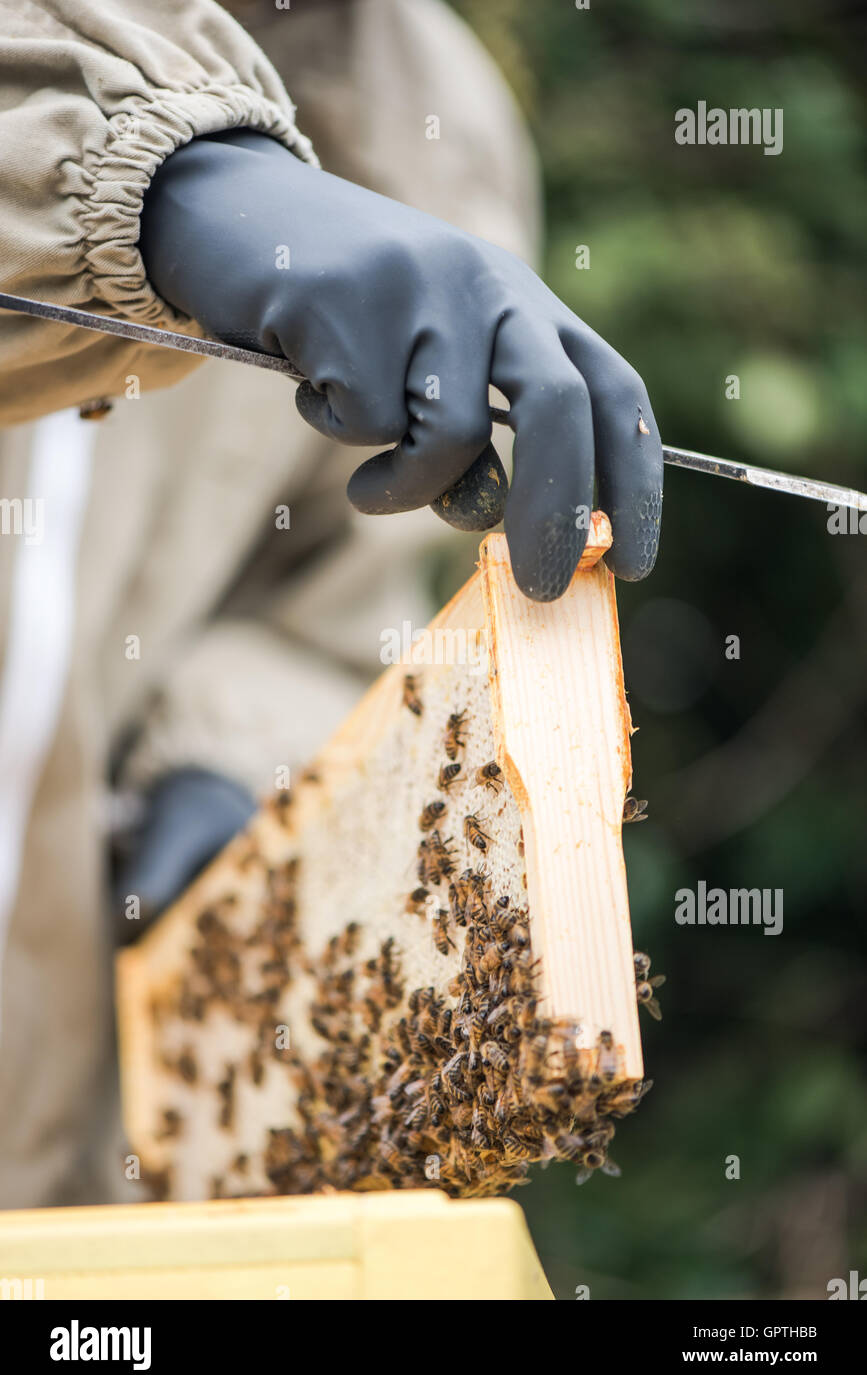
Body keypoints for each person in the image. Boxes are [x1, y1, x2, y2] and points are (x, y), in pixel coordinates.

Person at [0, 0, 662, 1209]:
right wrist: (134, 179)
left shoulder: (430, 122)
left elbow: (336, 602)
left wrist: (233, 764)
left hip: (64, 1146)